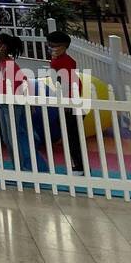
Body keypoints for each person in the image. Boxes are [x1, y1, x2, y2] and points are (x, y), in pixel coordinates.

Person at [46, 31, 86, 174]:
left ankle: (81, 167)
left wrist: (70, 102)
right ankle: (78, 165)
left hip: (73, 102)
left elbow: (72, 83)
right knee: (67, 133)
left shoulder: (66, 62)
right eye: (49, 45)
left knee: (73, 137)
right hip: (67, 100)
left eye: (54, 46)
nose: (51, 48)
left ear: (63, 47)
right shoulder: (57, 59)